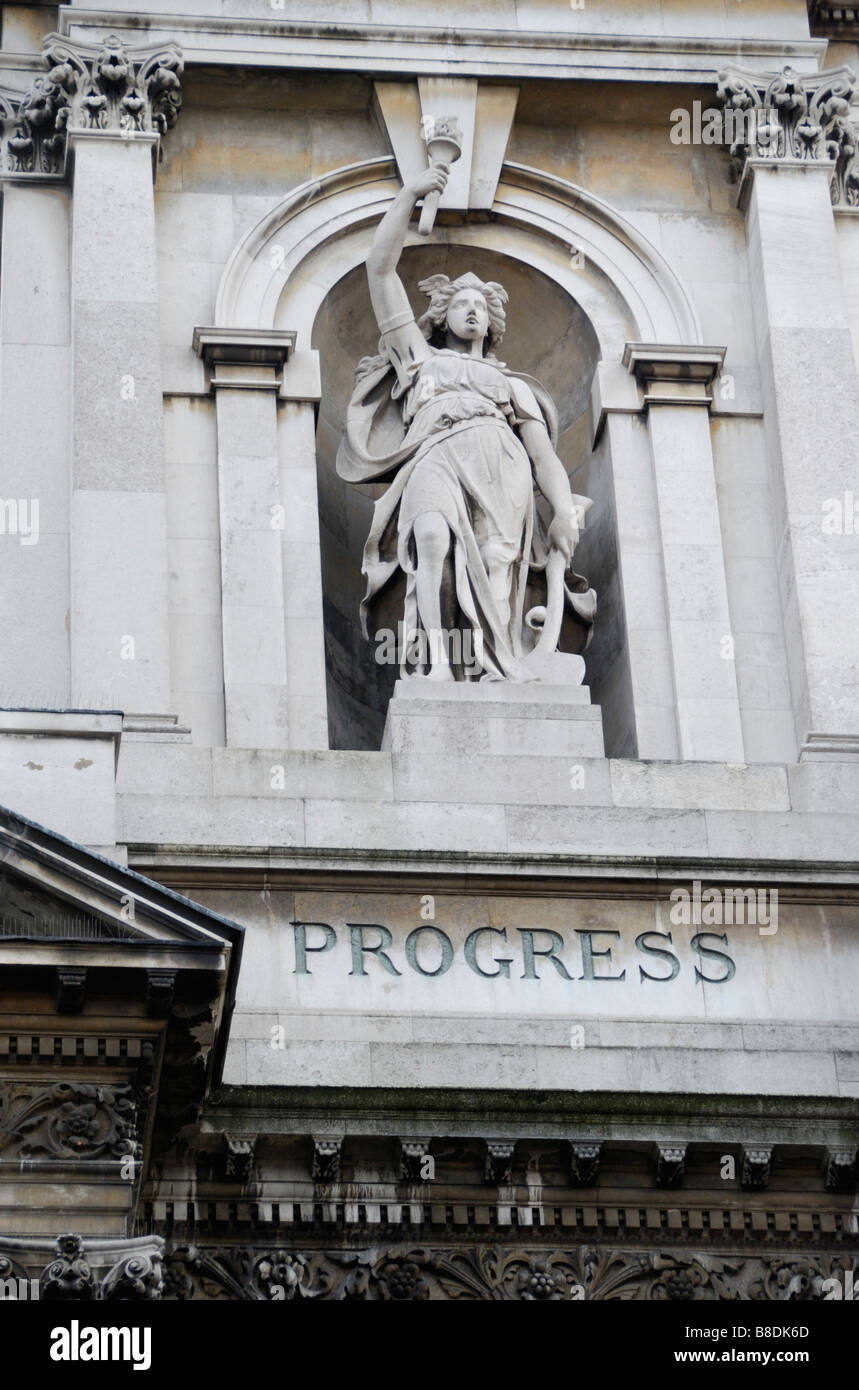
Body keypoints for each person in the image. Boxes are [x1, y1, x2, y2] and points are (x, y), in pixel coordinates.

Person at [336, 164, 595, 682]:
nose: (472, 312)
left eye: (481, 306)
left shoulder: (512, 385)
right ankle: (433, 667)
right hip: (434, 454)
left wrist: (564, 509)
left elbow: (543, 457)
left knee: (499, 561)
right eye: (461, 304)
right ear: (441, 315)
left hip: (501, 461)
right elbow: (379, 272)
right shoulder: (417, 359)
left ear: (493, 322)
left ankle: (493, 668)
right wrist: (409, 195)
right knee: (429, 539)